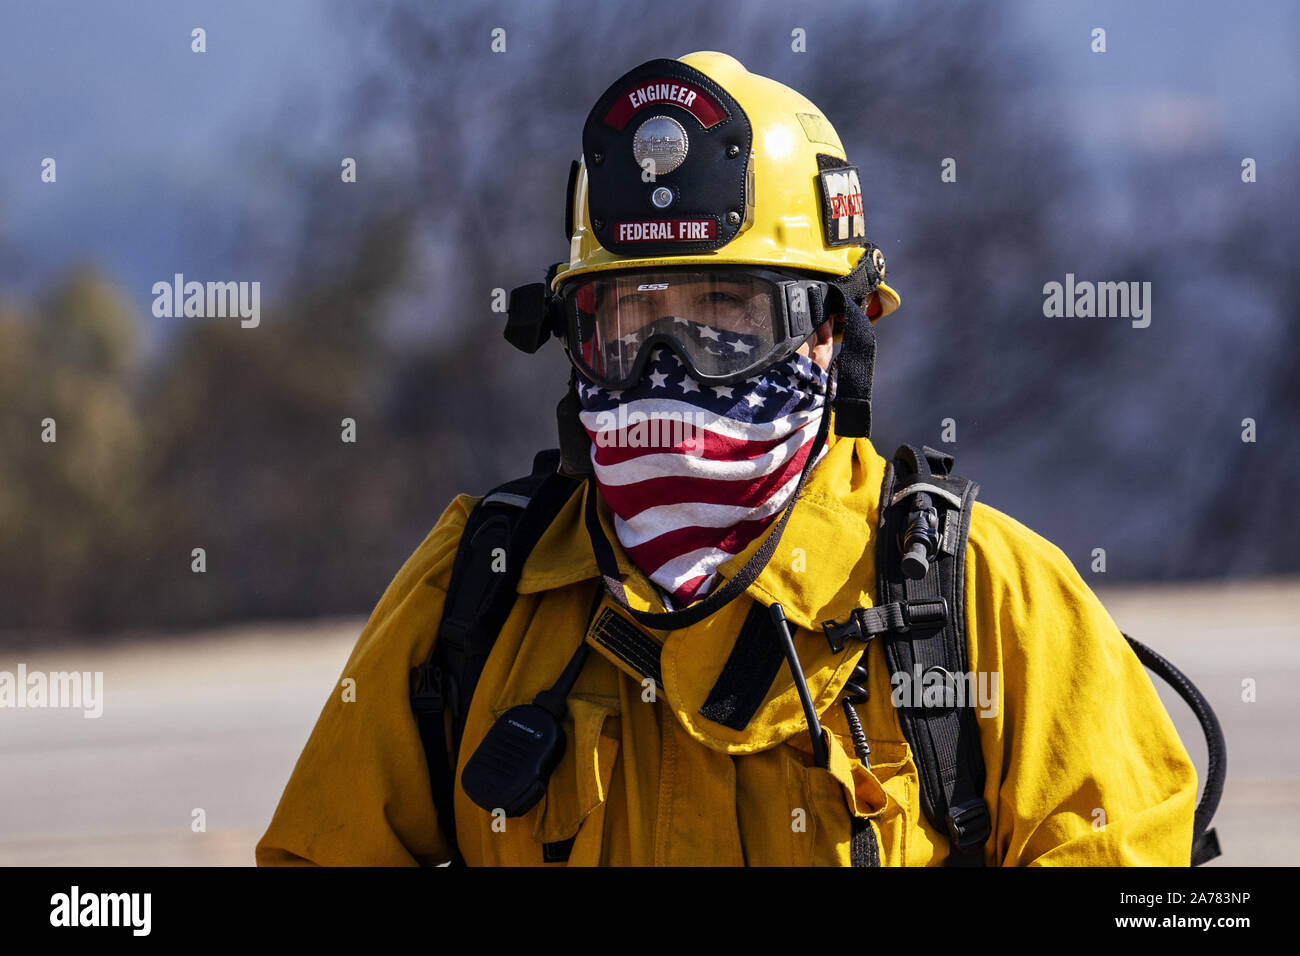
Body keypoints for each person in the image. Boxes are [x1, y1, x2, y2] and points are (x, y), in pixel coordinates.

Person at [256, 51, 1198, 867]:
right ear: (571, 335)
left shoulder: (980, 599)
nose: (672, 367)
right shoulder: (476, 594)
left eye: (724, 316)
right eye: (633, 321)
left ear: (833, 331)